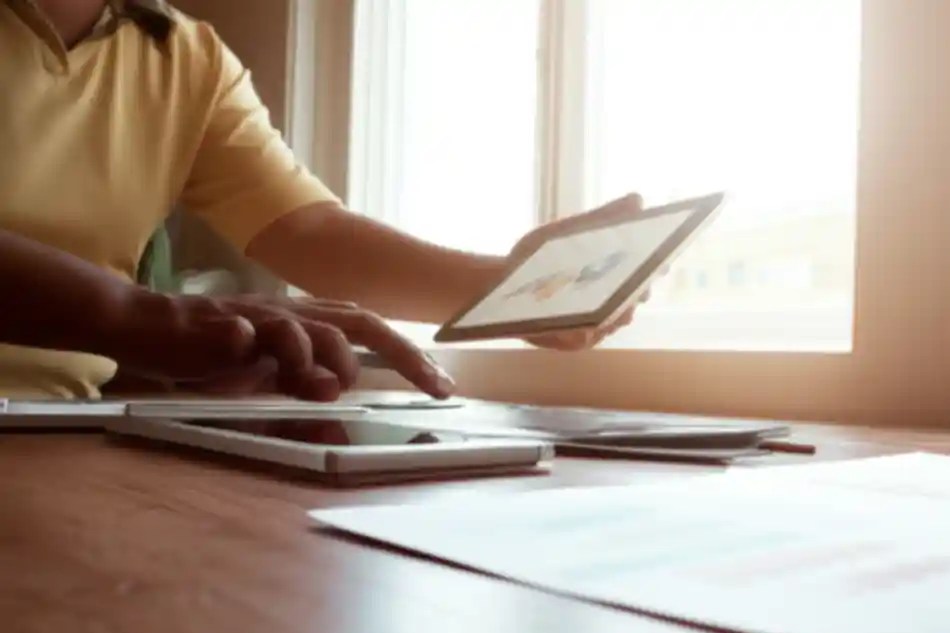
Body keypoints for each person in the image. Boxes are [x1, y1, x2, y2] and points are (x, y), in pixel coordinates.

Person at [0, 0, 643, 402]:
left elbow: (306, 230)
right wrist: (146, 317)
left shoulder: (185, 56)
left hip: (58, 428)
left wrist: (513, 292)